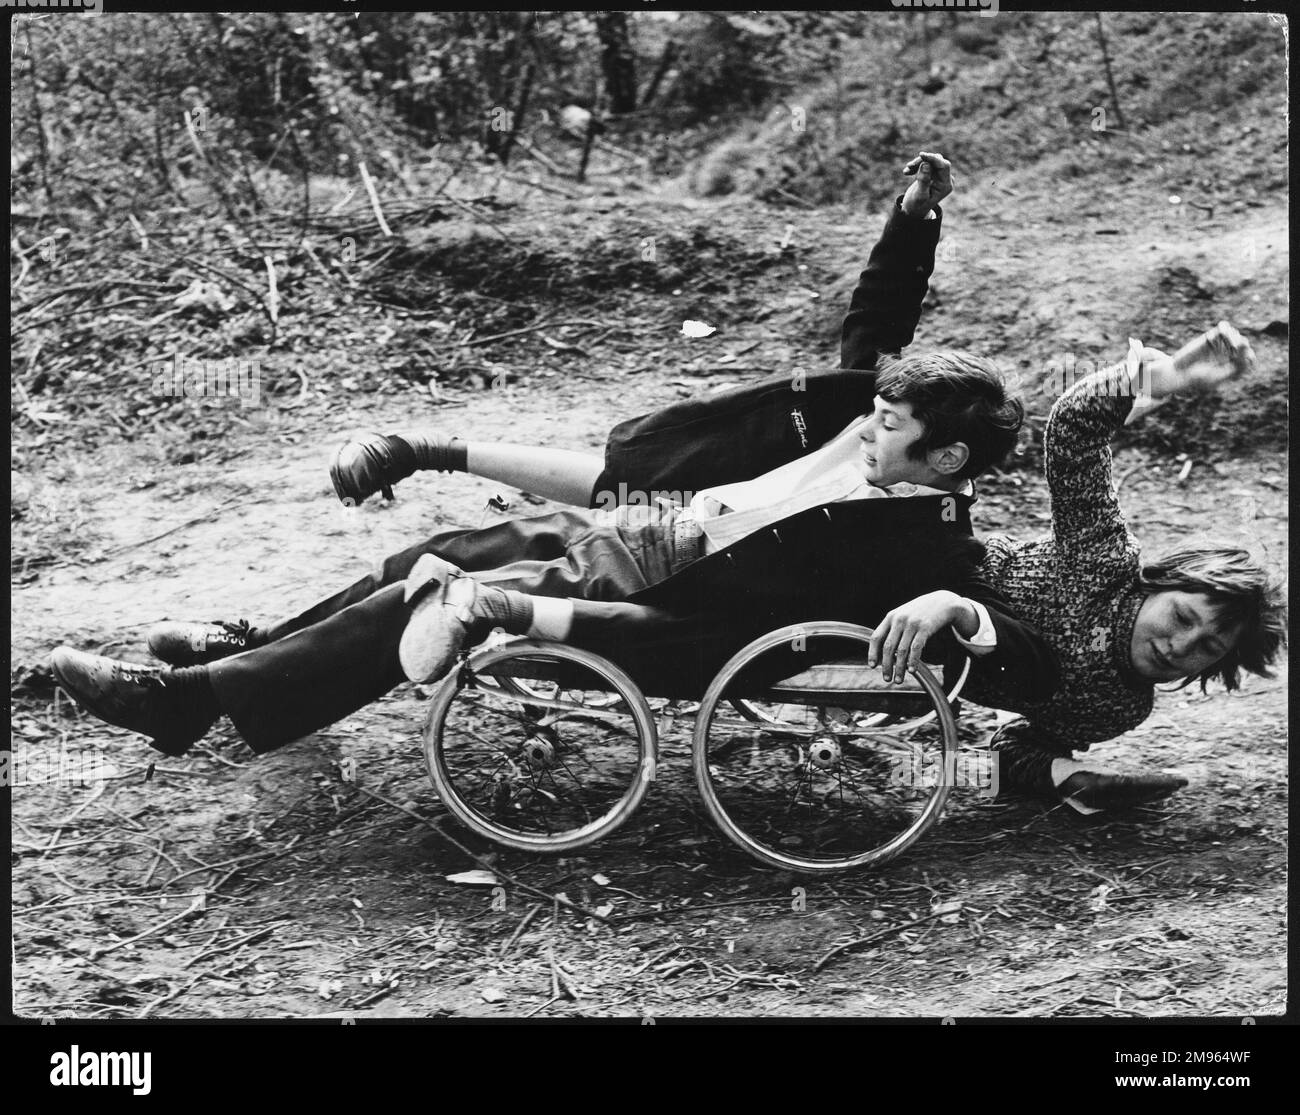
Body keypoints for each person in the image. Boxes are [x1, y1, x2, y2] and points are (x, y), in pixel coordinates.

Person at [50, 153, 1062, 770]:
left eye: (893, 430)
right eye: (879, 415)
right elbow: (879, 313)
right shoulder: (873, 418)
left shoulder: (921, 545)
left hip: (663, 595)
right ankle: (247, 648)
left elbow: (1022, 656)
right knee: (427, 552)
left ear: (950, 459)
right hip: (637, 531)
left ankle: (187, 703)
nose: (872, 427)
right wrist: (913, 217)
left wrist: (960, 617)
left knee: (432, 592)